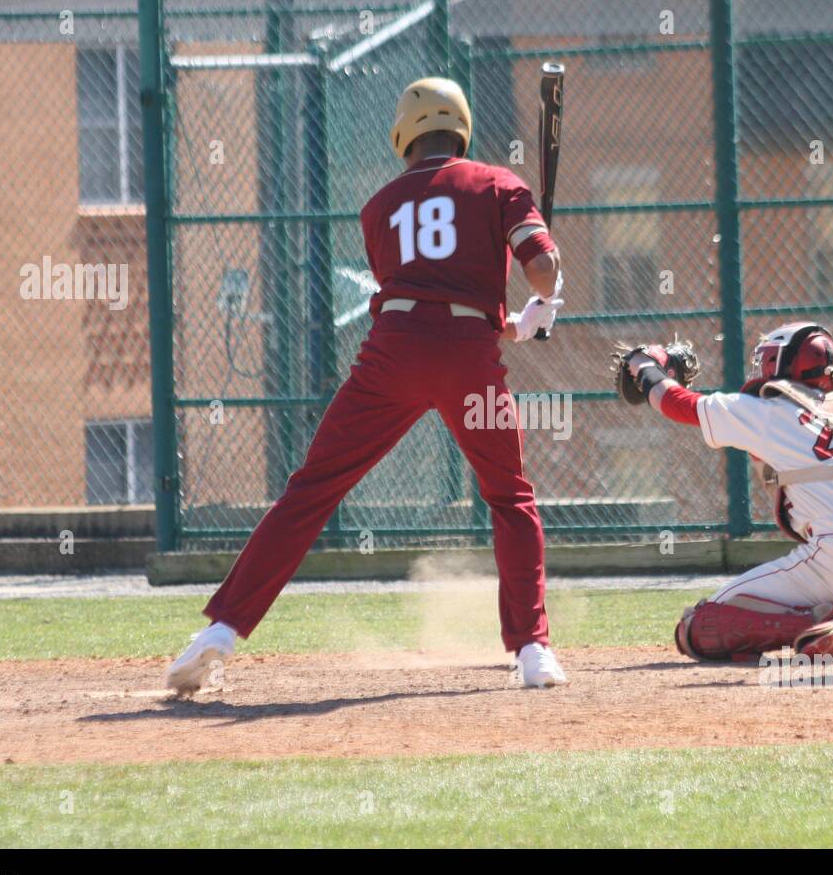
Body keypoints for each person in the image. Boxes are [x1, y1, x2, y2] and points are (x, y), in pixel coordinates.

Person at [166, 77, 569, 694]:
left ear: (404, 137)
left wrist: (517, 322)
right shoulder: (500, 184)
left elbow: (424, 295)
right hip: (468, 361)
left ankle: (219, 631)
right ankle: (533, 651)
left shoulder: (377, 207)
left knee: (312, 489)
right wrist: (546, 293)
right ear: (462, 126)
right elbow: (533, 274)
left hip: (392, 356)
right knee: (510, 498)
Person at [621, 323, 833, 660]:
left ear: (777, 366)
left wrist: (644, 364)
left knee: (697, 629)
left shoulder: (770, 411)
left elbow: (676, 403)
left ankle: (825, 621)